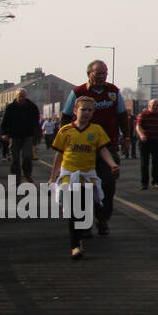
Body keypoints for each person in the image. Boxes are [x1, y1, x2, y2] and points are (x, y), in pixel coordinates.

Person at [60, 61, 128, 236]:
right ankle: (85, 222)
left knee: (107, 185)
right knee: (84, 188)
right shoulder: (78, 92)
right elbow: (66, 116)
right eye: (98, 74)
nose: (101, 77)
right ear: (89, 74)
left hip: (108, 145)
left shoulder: (113, 91)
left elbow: (122, 115)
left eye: (104, 73)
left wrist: (127, 137)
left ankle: (103, 219)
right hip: (82, 147)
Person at [48, 96, 118, 260]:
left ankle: (80, 236)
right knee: (74, 210)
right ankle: (75, 246)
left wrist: (112, 164)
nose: (86, 113)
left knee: (84, 210)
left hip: (87, 176)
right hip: (69, 176)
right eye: (83, 109)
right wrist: (53, 176)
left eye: (89, 110)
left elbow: (103, 150)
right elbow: (59, 155)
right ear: (75, 111)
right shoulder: (65, 131)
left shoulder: (96, 131)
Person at [2, 90, 41, 184]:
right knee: (15, 159)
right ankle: (16, 178)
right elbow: (5, 122)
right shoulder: (10, 108)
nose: (21, 98)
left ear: (26, 96)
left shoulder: (32, 107)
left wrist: (37, 135)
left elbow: (36, 122)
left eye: (23, 96)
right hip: (14, 137)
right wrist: (4, 133)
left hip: (28, 136)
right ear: (16, 97)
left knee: (27, 157)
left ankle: (27, 174)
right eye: (19, 96)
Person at [136, 99, 158, 189]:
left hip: (156, 141)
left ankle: (156, 182)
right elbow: (138, 126)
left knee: (156, 162)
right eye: (153, 105)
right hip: (145, 141)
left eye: (156, 106)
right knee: (144, 163)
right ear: (149, 106)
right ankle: (144, 183)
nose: (155, 107)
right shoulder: (143, 115)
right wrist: (141, 135)